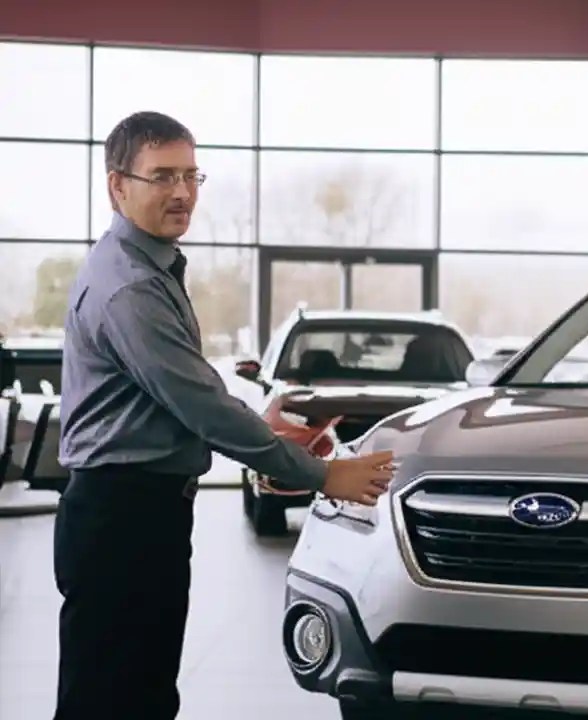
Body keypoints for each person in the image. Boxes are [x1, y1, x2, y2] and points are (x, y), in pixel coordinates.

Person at [54, 111, 397, 720]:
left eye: (191, 175)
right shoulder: (129, 287)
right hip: (123, 519)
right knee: (115, 700)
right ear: (118, 185)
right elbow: (201, 405)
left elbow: (179, 392)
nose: (182, 192)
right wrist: (326, 476)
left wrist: (260, 422)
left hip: (136, 513)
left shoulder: (148, 268)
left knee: (138, 692)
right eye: (162, 176)